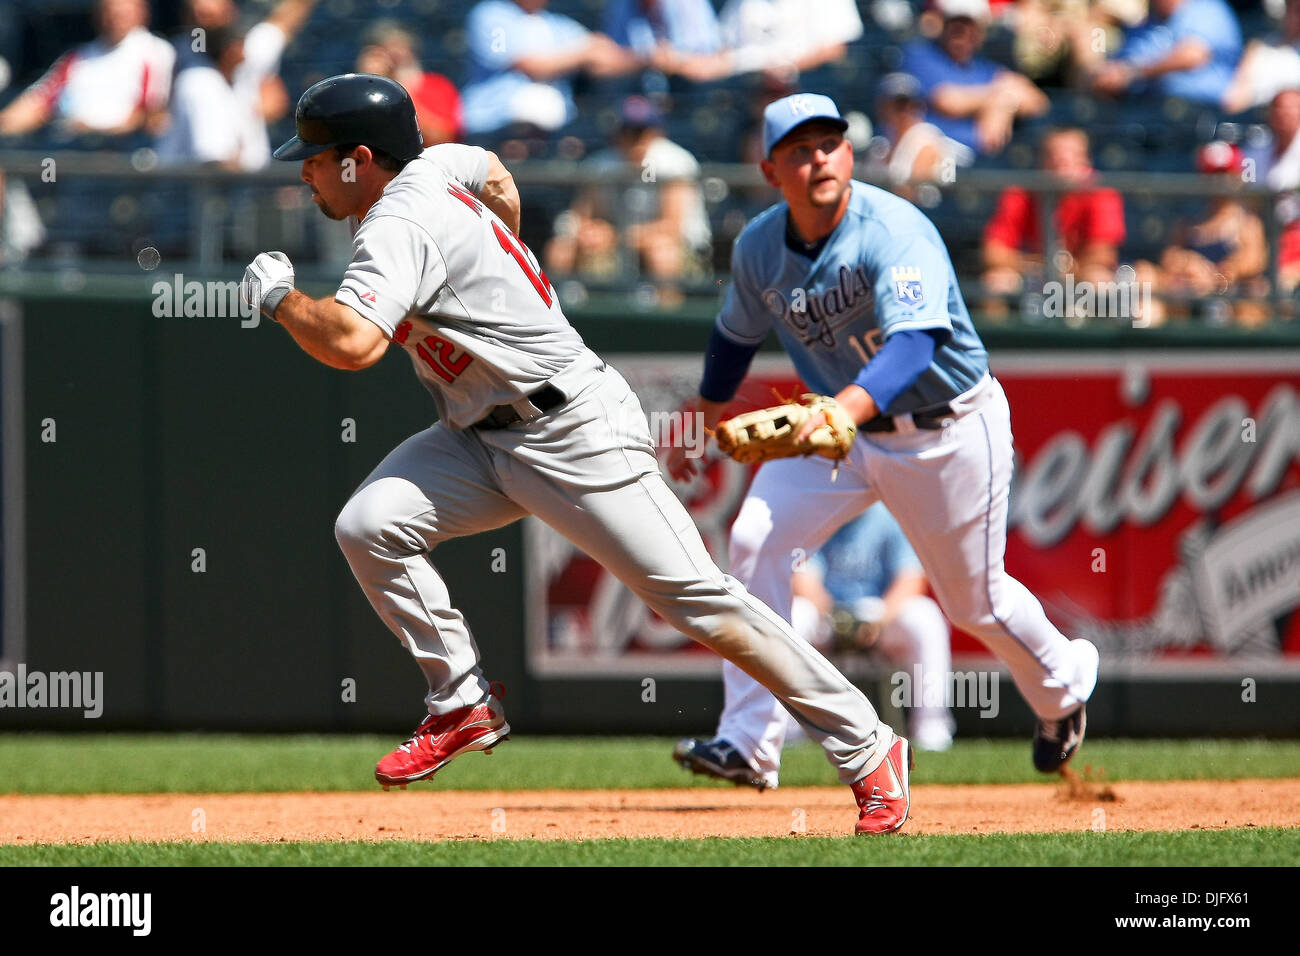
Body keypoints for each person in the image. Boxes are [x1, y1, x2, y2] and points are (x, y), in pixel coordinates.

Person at [241, 73, 916, 835]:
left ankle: (869, 745)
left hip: (572, 431)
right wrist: (503, 263)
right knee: (369, 525)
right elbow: (492, 170)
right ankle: (460, 699)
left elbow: (355, 344)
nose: (306, 170)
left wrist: (280, 302)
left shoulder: (397, 223)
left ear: (362, 159)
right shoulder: (434, 167)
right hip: (478, 435)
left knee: (697, 599)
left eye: (318, 157)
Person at [666, 93, 1099, 791]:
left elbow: (915, 342)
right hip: (842, 434)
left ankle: (1062, 688)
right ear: (769, 168)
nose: (818, 160)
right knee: (754, 541)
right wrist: (700, 418)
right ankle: (748, 740)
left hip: (947, 427)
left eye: (829, 144)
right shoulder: (758, 247)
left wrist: (845, 407)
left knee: (973, 604)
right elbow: (732, 340)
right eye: (798, 151)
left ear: (848, 151)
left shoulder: (892, 227)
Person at [678, 504, 955, 789]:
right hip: (825, 610)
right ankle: (786, 732)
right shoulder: (821, 512)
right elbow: (802, 578)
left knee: (925, 617)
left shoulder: (888, 514)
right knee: (793, 616)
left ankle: (932, 728)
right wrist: (834, 615)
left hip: (878, 614)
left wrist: (879, 621)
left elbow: (911, 579)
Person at [543, 96, 711, 300]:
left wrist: (616, 237)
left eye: (641, 131)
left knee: (661, 251)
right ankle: (563, 317)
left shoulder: (676, 162)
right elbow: (582, 215)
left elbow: (672, 228)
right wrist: (587, 231)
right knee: (561, 248)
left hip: (681, 247)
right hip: (616, 243)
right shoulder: (601, 165)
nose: (634, 138)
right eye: (627, 130)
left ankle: (668, 325)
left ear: (656, 132)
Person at [981, 126, 1126, 313]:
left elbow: (1102, 255)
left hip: (1080, 275)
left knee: (1099, 280)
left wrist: (1068, 269)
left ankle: (1094, 341)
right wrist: (1040, 265)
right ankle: (997, 342)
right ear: (1042, 161)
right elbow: (993, 252)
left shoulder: (1101, 192)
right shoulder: (1020, 192)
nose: (1062, 165)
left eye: (1071, 157)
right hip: (1032, 274)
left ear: (1086, 160)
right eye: (1054, 157)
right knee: (996, 282)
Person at [171, 0, 320, 171]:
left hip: (241, 184)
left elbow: (282, 24)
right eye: (200, 15)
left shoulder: (246, 65)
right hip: (193, 189)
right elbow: (216, 164)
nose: (244, 51)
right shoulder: (198, 81)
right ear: (228, 52)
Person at [461, 0, 644, 138]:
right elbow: (530, 66)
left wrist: (648, 57)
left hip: (547, 132)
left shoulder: (558, 25)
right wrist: (583, 53)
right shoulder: (491, 14)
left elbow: (604, 57)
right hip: (494, 125)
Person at [1134, 141, 1270, 326]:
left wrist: (1217, 275)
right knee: (1144, 276)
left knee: (1254, 300)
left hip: (1229, 296)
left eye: (1224, 175)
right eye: (1212, 175)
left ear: (1237, 176)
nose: (1218, 183)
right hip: (1188, 293)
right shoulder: (1188, 223)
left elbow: (1253, 259)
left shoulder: (1246, 222)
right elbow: (1170, 256)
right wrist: (1189, 263)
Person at [0, 0, 174, 141]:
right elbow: (37, 103)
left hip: (122, 158)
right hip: (67, 152)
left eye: (123, 10)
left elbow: (150, 115)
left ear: (142, 11)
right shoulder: (76, 57)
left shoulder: (155, 51)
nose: (115, 16)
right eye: (109, 9)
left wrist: (92, 131)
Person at [900, 0, 1049, 156]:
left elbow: (1037, 102)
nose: (961, 31)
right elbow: (946, 100)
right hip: (935, 153)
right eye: (955, 23)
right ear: (944, 25)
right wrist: (997, 100)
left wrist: (1005, 103)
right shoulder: (921, 55)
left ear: (980, 32)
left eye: (969, 25)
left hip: (977, 158)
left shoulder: (983, 68)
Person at [661, 0, 863, 84]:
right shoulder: (743, 4)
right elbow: (720, 56)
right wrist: (677, 61)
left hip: (805, 83)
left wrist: (789, 67)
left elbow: (837, 49)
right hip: (753, 89)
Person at [1090, 0, 1241, 105]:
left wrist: (1132, 72)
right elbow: (1120, 65)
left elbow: (1192, 56)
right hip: (1146, 110)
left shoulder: (1206, 8)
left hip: (1205, 112)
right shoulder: (1144, 23)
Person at [355, 20, 464, 146]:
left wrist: (396, 90)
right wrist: (366, 83)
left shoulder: (437, 85)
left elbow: (443, 138)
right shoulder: (370, 92)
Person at [868, 71, 974, 194]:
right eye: (899, 104)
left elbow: (909, 192)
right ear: (883, 107)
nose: (905, 110)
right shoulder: (883, 143)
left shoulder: (925, 138)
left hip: (930, 210)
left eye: (911, 104)